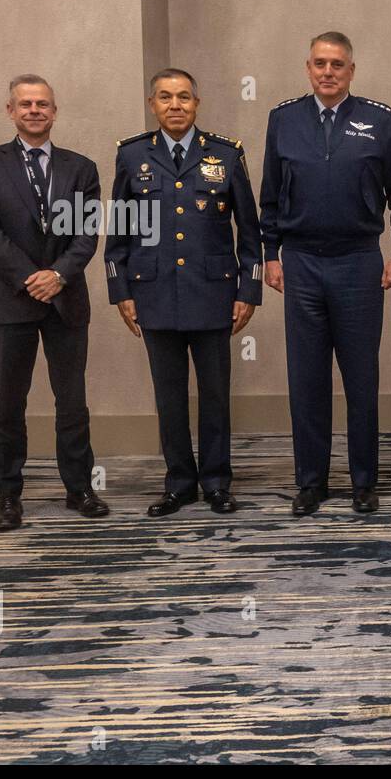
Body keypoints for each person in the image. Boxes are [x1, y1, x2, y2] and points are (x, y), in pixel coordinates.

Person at [260, 31, 391, 515]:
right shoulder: (283, 119)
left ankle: (364, 481)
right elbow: (269, 194)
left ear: (352, 70)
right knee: (306, 379)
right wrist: (271, 253)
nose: (328, 72)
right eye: (319, 64)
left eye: (338, 65)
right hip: (303, 263)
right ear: (307, 67)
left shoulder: (379, 119)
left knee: (360, 378)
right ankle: (311, 482)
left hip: (358, 261)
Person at [104, 68, 262, 517]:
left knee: (214, 396)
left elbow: (249, 233)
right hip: (152, 293)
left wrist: (248, 290)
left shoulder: (225, 154)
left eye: (185, 97)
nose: (176, 105)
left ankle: (215, 482)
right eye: (166, 97)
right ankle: (178, 483)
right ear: (153, 104)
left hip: (213, 293)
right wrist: (121, 291)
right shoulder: (133, 156)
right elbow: (119, 232)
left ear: (197, 103)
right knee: (168, 396)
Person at [0, 74, 108, 531]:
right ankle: (8, 497)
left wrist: (60, 275)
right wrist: (32, 277)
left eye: (42, 104)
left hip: (66, 301)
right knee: (9, 404)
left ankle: (79, 489)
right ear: (10, 111)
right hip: (11, 300)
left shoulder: (81, 168)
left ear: (54, 111)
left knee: (72, 402)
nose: (34, 110)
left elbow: (88, 232)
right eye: (25, 104)